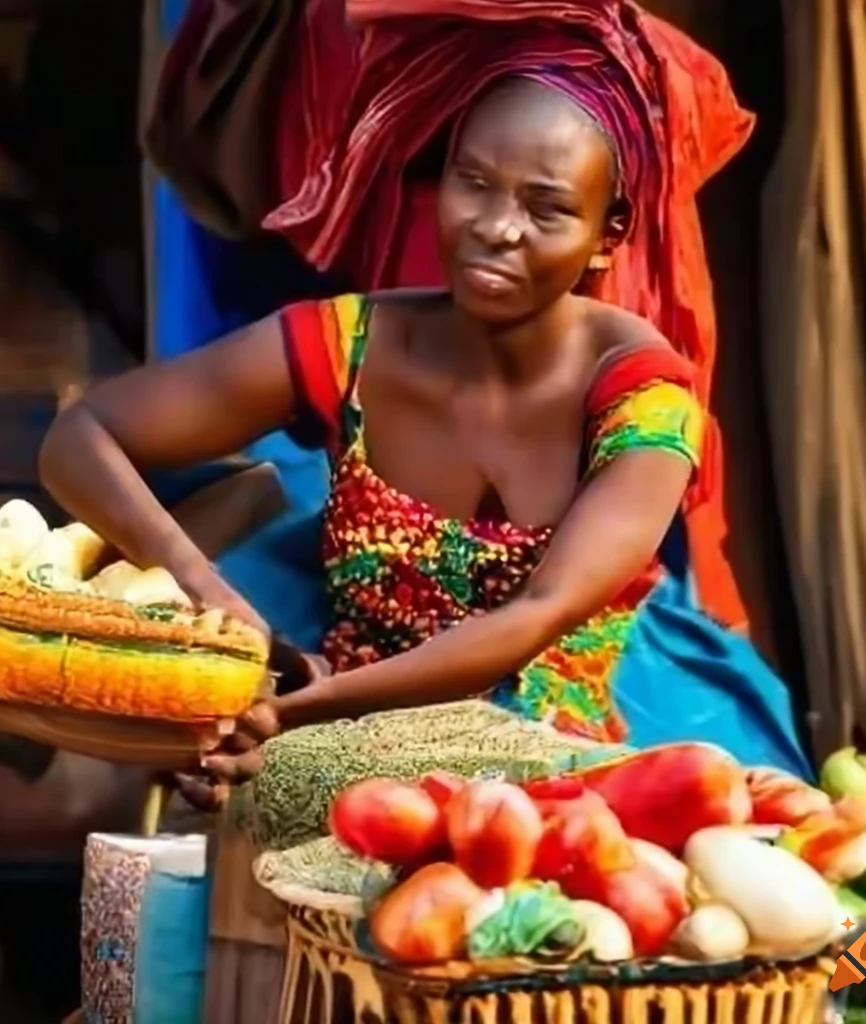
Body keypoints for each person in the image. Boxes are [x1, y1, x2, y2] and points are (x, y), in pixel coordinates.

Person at [39, 75, 812, 806]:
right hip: (347, 710)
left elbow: (536, 614)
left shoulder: (641, 392)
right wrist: (206, 590)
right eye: (472, 182)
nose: (495, 227)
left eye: (545, 209)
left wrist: (299, 717)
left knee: (792, 915)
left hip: (598, 728)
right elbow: (83, 436)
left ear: (607, 233)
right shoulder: (349, 343)